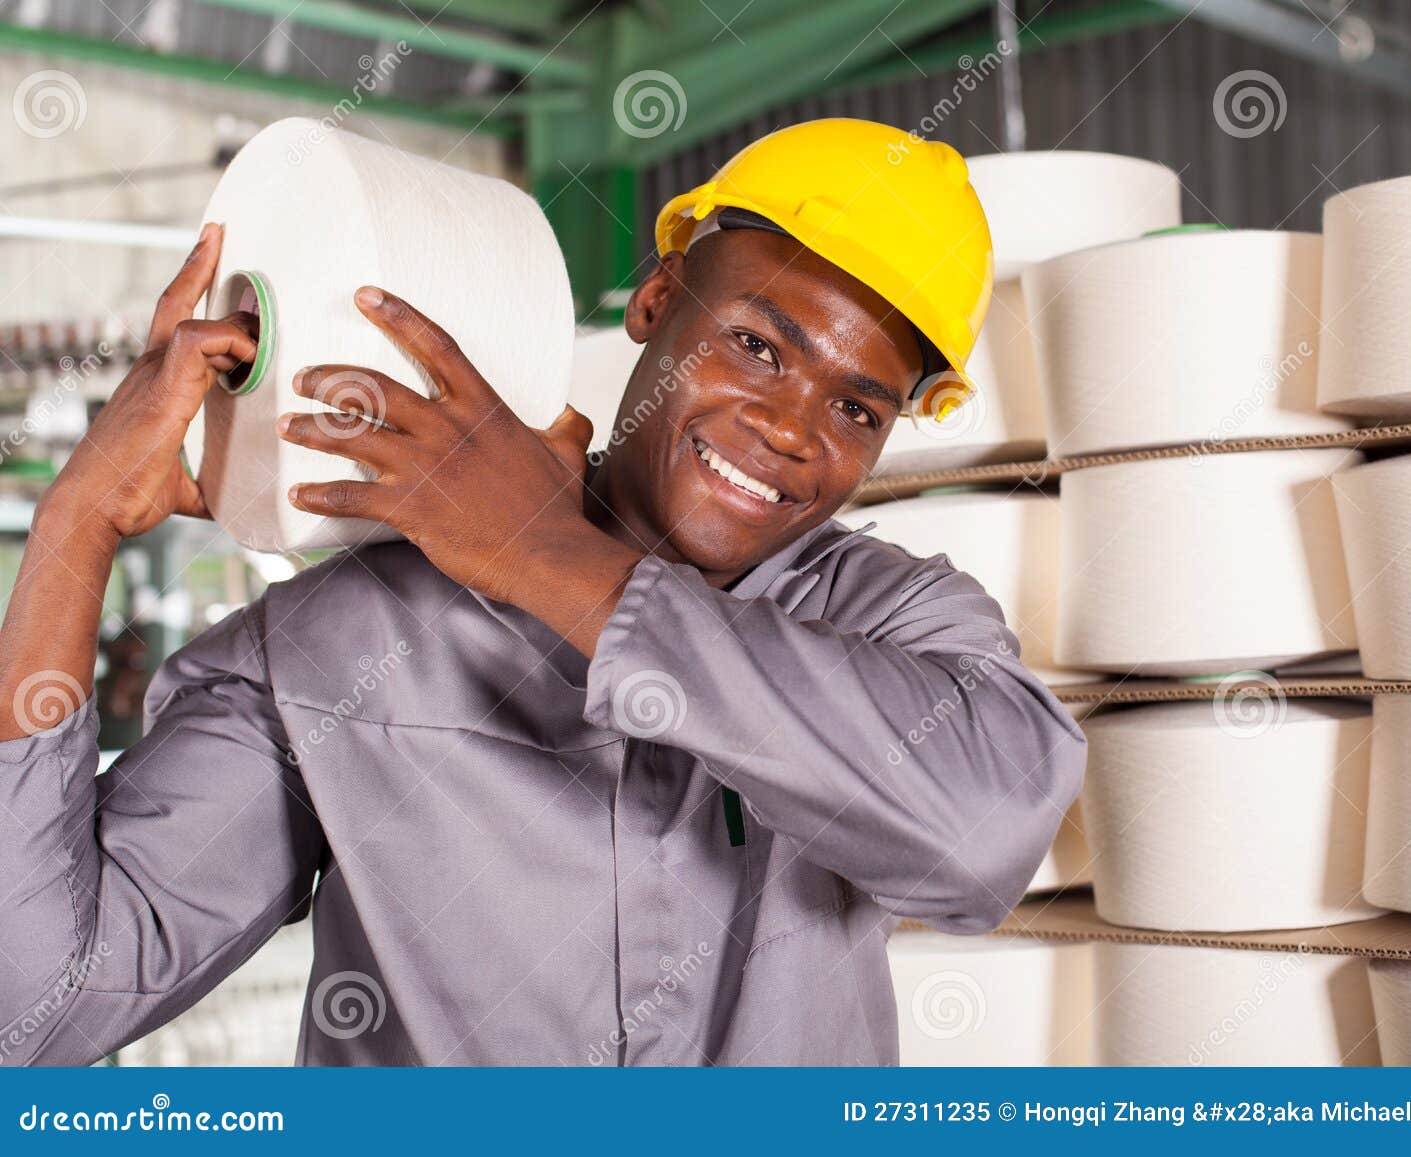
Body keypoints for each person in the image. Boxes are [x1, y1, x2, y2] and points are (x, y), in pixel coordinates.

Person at [0, 118, 1083, 1066]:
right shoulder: (348, 636)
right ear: (657, 300)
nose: (791, 429)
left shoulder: (890, 621)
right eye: (756, 345)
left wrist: (547, 556)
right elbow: (37, 1011)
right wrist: (73, 527)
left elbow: (981, 836)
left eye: (856, 410)